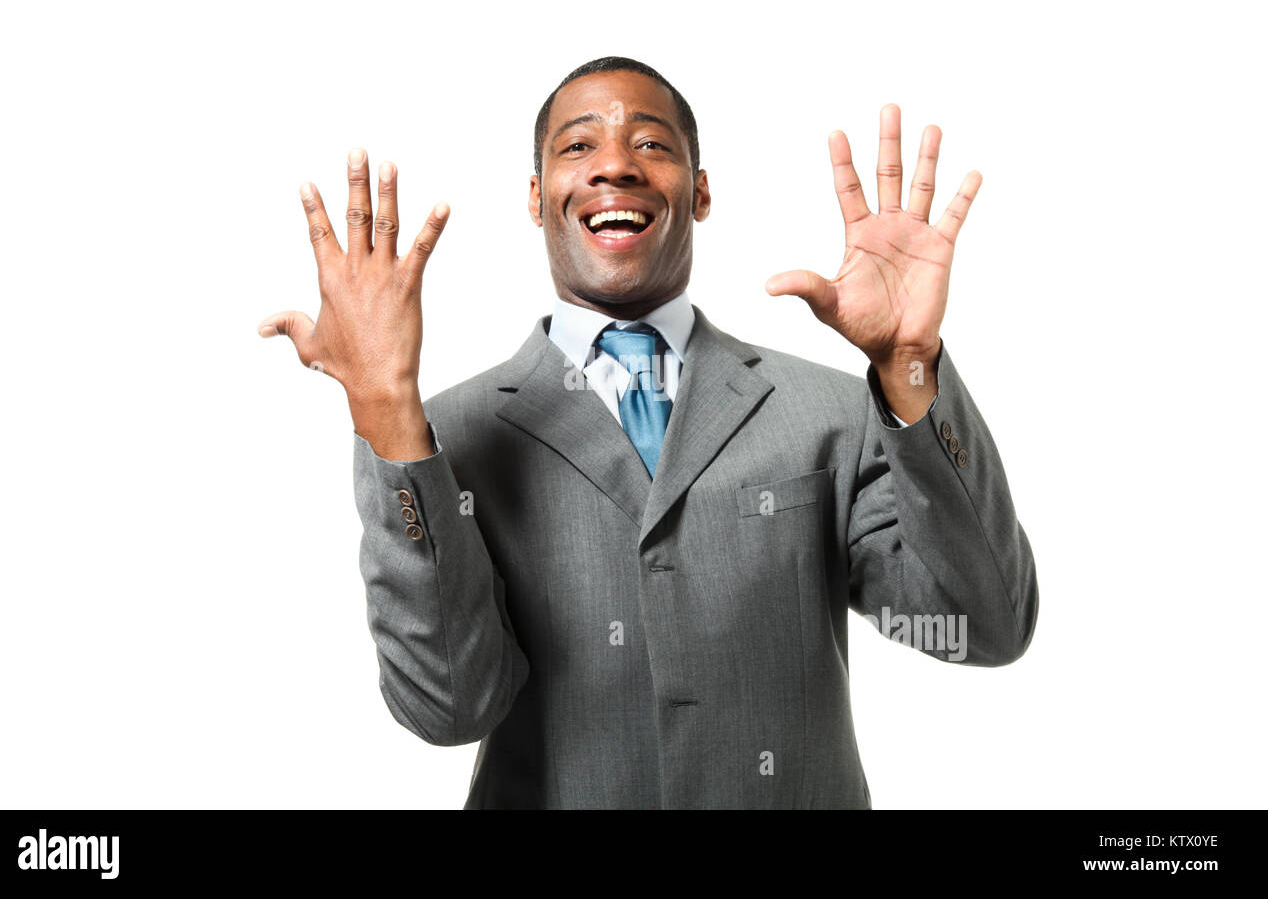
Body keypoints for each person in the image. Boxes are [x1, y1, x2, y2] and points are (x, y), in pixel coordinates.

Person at [258, 56, 1039, 809]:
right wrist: (386, 404)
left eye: (651, 144)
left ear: (699, 192)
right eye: (578, 144)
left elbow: (985, 626)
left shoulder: (833, 414)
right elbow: (450, 709)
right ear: (537, 197)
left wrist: (909, 364)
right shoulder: (449, 437)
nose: (615, 165)